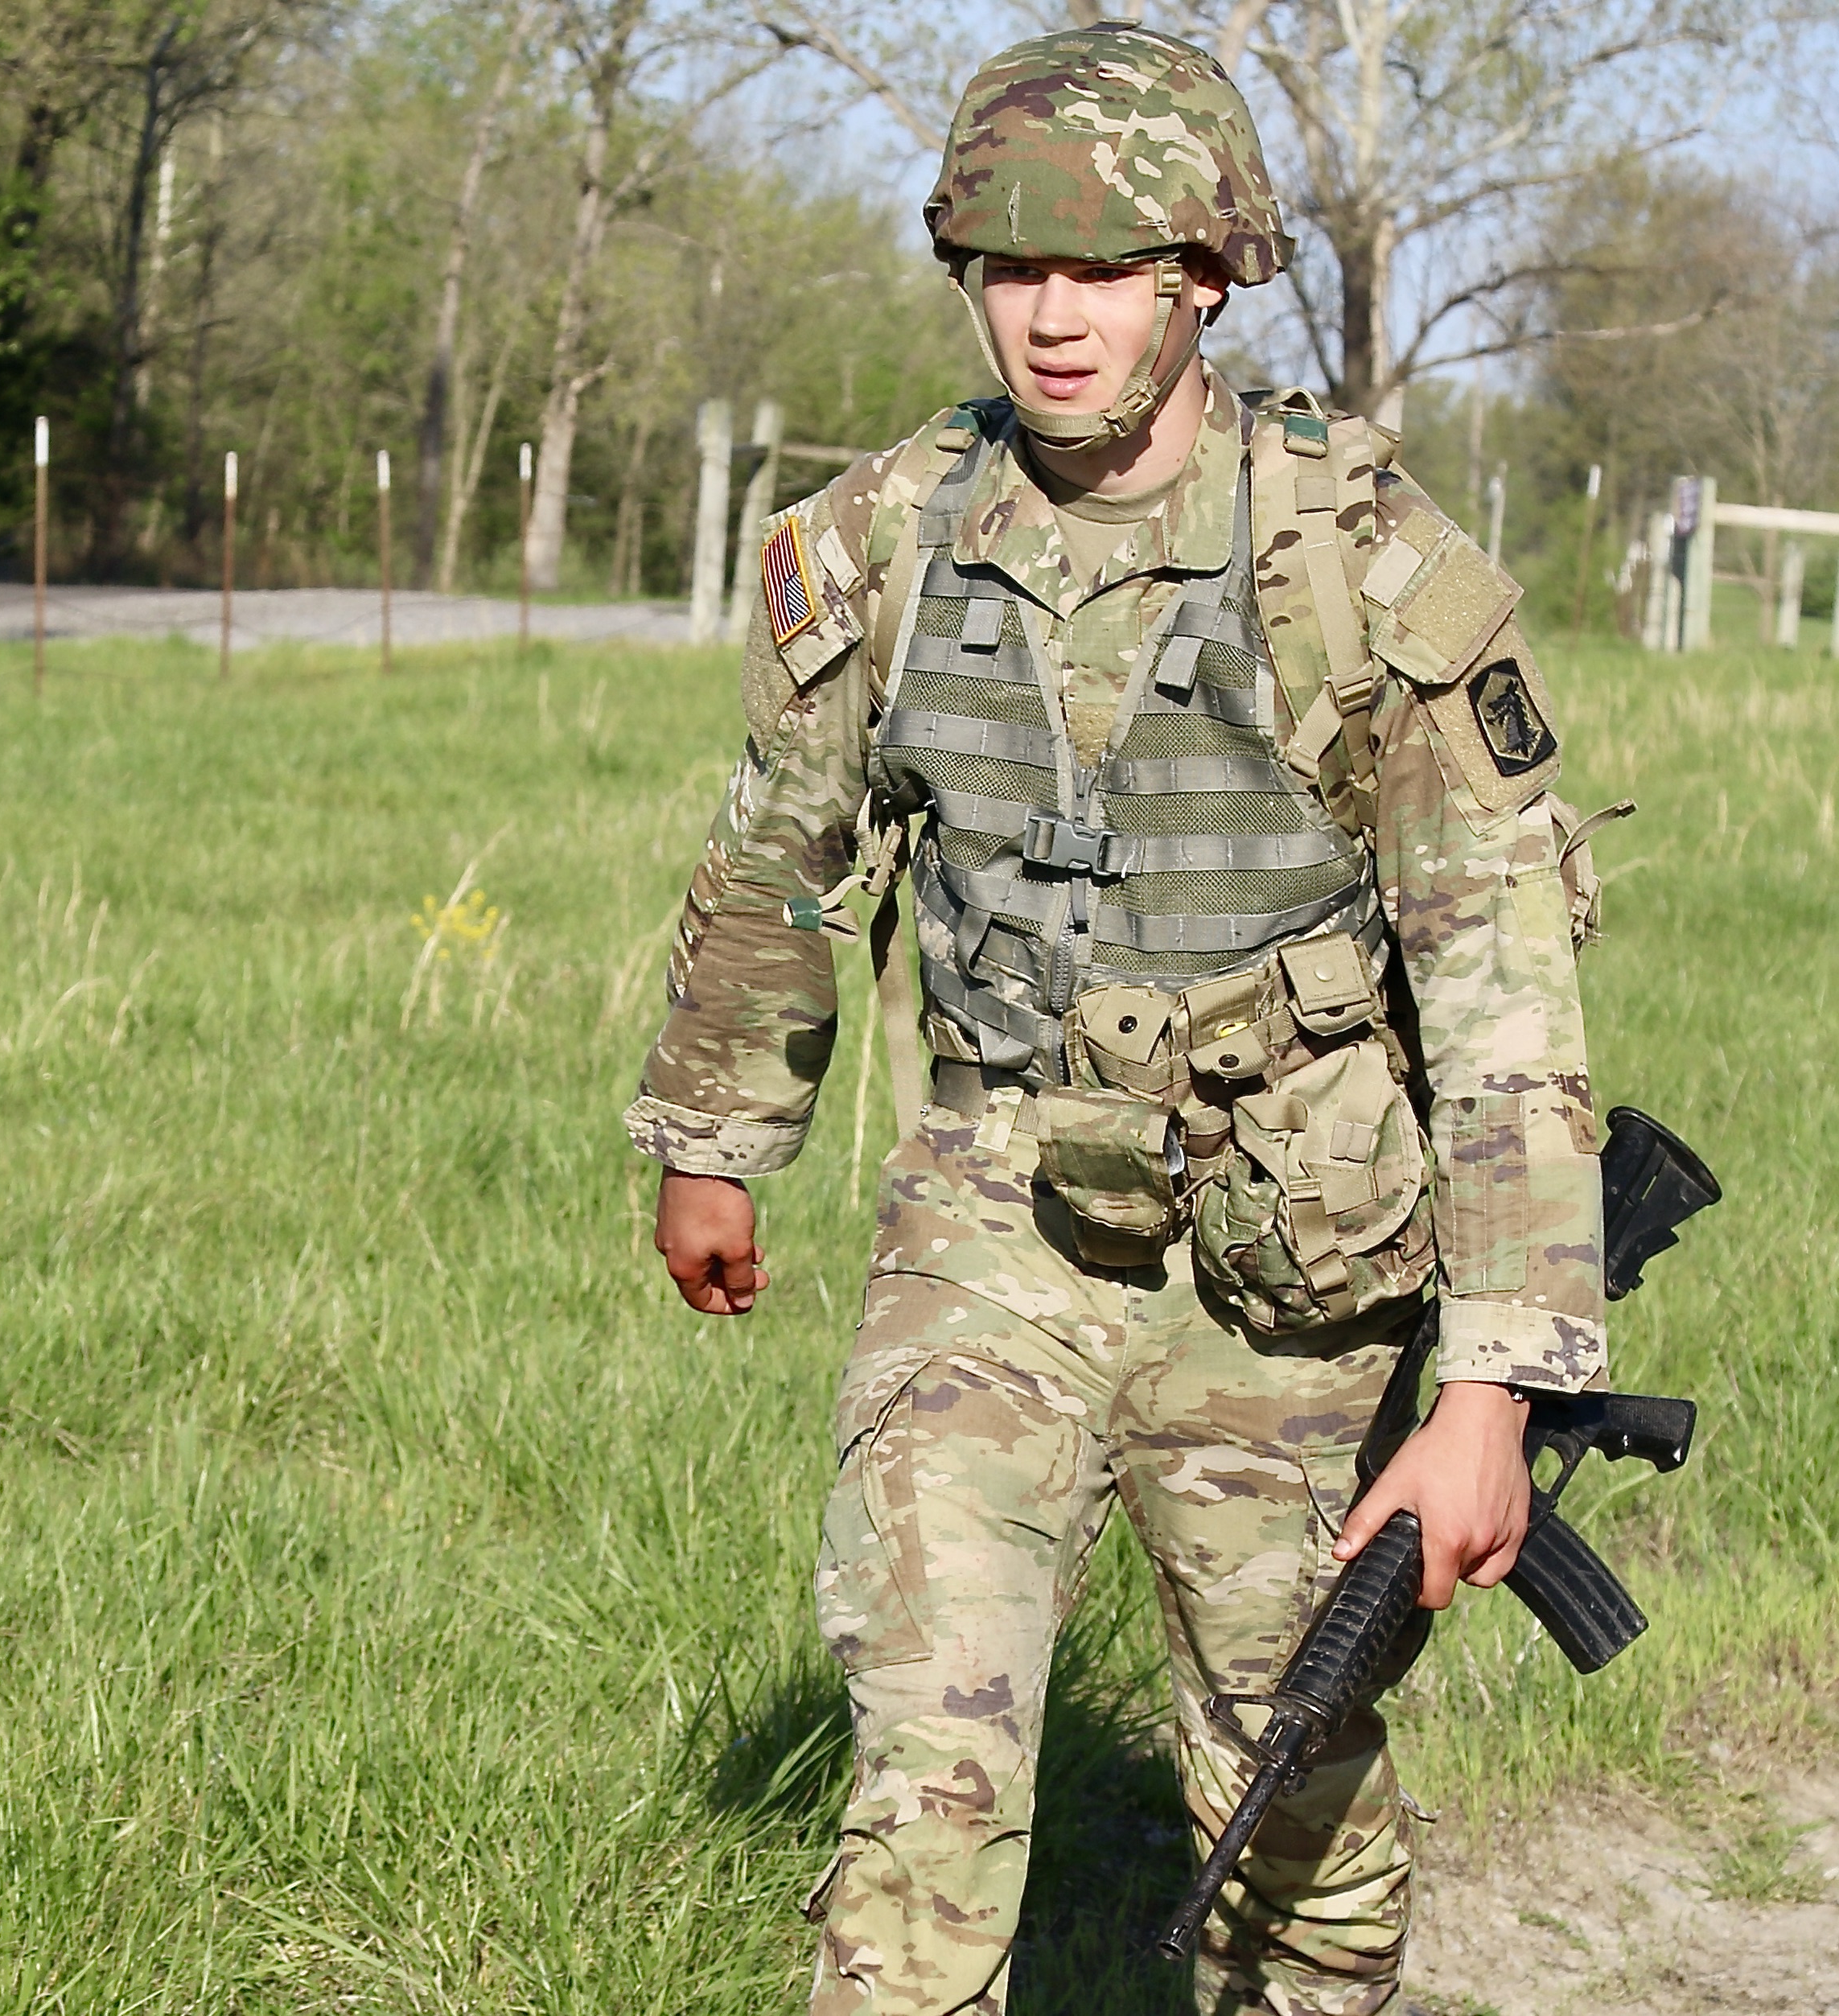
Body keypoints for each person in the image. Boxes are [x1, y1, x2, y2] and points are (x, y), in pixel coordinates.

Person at [625, 23, 1608, 2016]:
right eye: (1009, 269)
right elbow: (781, 852)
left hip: (1288, 1256)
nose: (1050, 318)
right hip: (993, 1211)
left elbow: (1503, 992)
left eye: (1102, 269)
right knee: (922, 1775)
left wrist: (1494, 1388)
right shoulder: (880, 546)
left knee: (1288, 1794)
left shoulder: (1368, 573)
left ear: (1206, 277)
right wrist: (715, 1144)